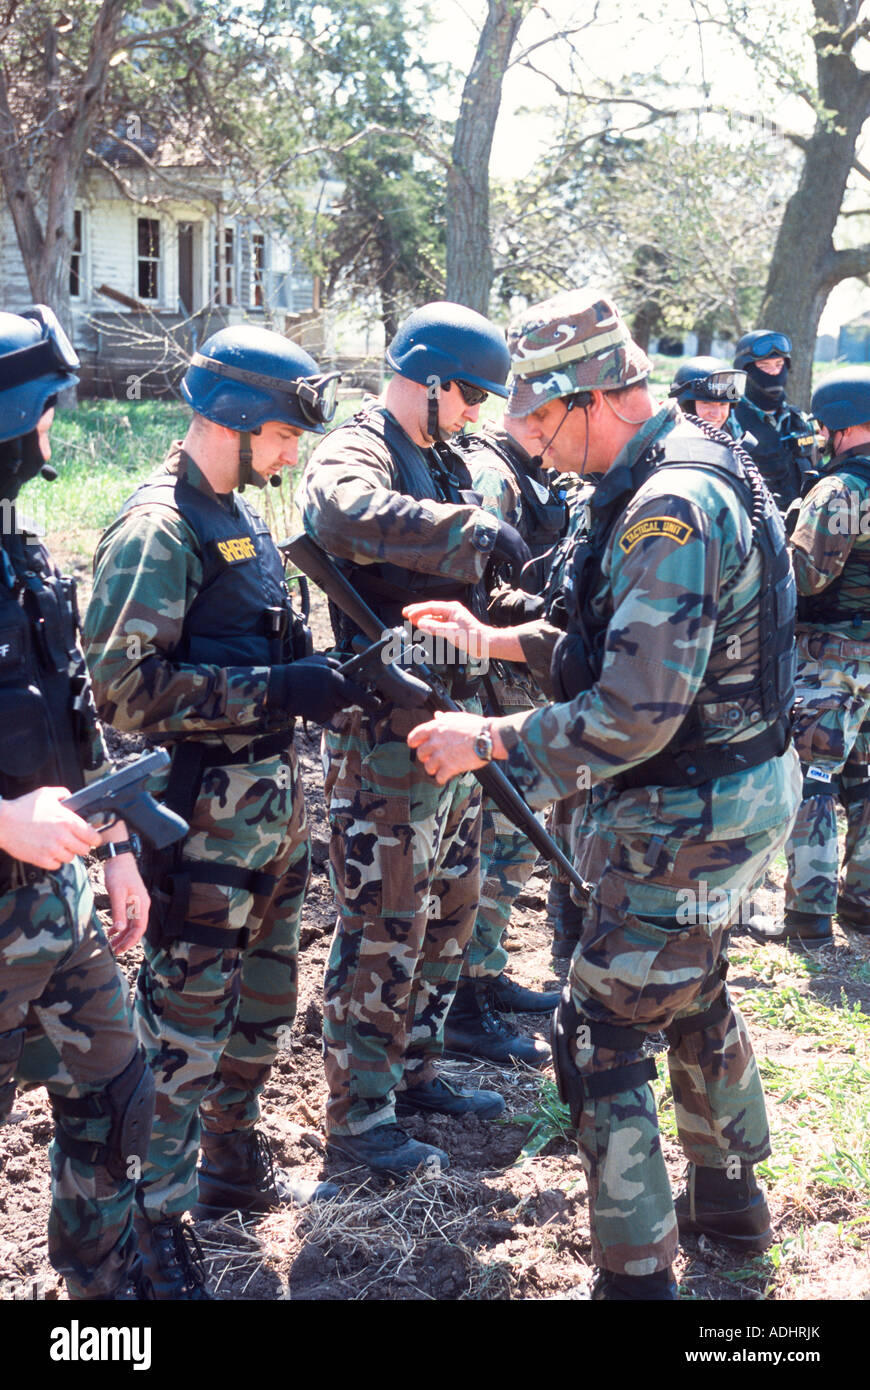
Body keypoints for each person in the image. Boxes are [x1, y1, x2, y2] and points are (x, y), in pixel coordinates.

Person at [403, 288, 801, 1300]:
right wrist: (491, 639)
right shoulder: (660, 477)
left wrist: (486, 736)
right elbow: (607, 636)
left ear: (593, 396)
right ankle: (730, 1200)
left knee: (606, 1024)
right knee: (690, 979)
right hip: (720, 791)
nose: (530, 445)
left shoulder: (674, 505)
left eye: (537, 419)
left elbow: (636, 708)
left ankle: (636, 1278)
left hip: (688, 804)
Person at [83, 325, 371, 1298]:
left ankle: (228, 1157)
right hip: (202, 828)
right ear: (240, 419)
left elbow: (252, 654)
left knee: (261, 1009)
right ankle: (150, 1228)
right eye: (286, 433)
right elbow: (121, 689)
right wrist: (279, 689)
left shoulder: (234, 517)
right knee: (182, 1033)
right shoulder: (157, 528)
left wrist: (317, 682)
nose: (294, 452)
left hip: (272, 823)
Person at [298, 301, 523, 1178]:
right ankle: (358, 1116)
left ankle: (412, 1071)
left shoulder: (444, 454)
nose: (475, 411)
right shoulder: (359, 449)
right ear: (426, 381)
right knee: (384, 925)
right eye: (467, 394)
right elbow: (341, 516)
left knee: (450, 910)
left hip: (450, 728)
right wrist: (470, 531)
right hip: (386, 738)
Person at [0, 306, 154, 1300]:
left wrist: (117, 846)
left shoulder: (20, 551)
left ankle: (102, 1299)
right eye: (47, 414)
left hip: (55, 908)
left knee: (115, 1090)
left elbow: (71, 705)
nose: (56, 437)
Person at [441, 412, 566, 1067]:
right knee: (496, 849)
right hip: (495, 689)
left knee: (513, 850)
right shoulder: (494, 474)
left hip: (520, 682)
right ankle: (465, 1002)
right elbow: (474, 591)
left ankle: (485, 973)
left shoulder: (532, 472)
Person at [761, 367, 870, 948]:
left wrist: (786, 526)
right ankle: (862, 902)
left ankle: (808, 911)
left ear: (840, 427)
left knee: (817, 779)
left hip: (834, 659)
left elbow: (806, 578)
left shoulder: (841, 489)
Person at [732, 330, 818, 511]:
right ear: (746, 371)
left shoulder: (799, 420)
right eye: (764, 366)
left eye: (779, 364)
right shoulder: (730, 420)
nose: (774, 372)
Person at [668, 355, 747, 435]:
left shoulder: (732, 435)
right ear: (685, 406)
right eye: (706, 403)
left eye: (723, 404)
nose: (716, 415)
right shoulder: (664, 440)